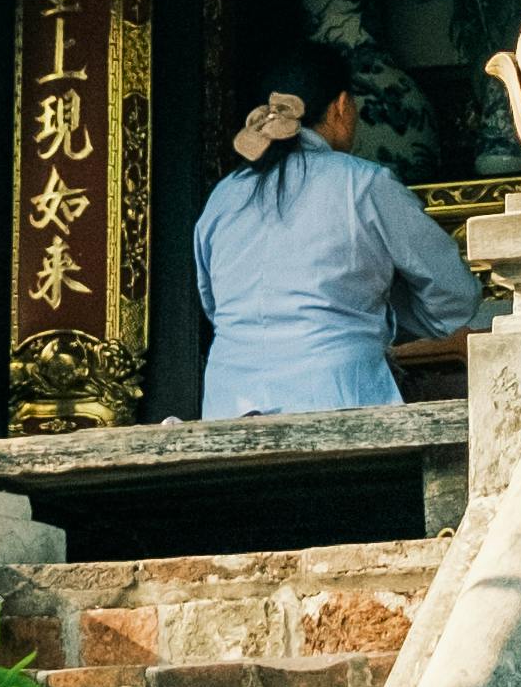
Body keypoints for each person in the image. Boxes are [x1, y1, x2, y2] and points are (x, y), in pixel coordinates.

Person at [195, 46, 491, 417]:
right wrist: (380, 312)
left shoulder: (223, 197)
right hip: (337, 400)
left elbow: (213, 304)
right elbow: (456, 296)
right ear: (341, 106)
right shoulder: (363, 184)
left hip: (229, 408)